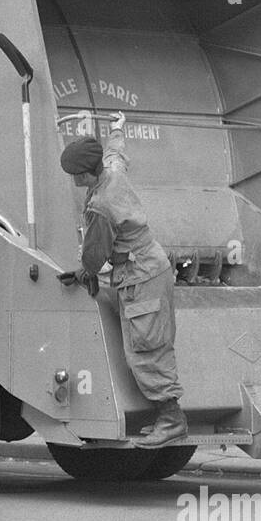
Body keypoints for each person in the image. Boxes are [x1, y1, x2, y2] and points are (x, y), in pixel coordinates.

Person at [57, 126, 187, 448]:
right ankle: (164, 418)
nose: (74, 181)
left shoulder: (101, 204)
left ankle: (172, 421)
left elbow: (94, 253)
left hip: (140, 276)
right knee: (148, 344)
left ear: (88, 172)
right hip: (146, 266)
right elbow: (117, 153)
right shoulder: (111, 171)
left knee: (145, 351)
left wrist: (85, 272)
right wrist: (117, 129)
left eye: (76, 175)